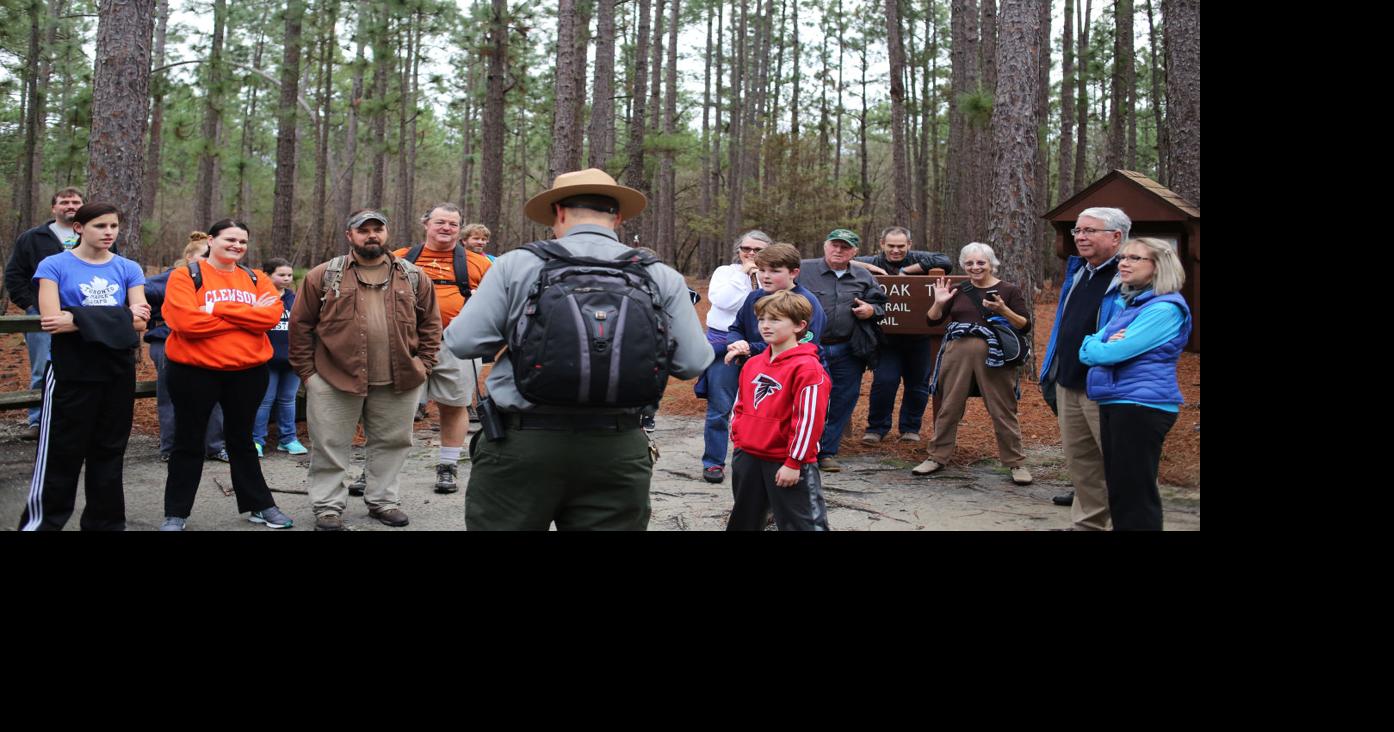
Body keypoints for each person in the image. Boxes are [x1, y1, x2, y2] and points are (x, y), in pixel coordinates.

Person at [444, 168, 711, 531]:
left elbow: (462, 342)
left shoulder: (516, 264)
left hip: (522, 444)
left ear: (559, 213)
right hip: (617, 447)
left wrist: (517, 332)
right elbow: (692, 362)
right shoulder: (659, 274)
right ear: (617, 216)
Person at [290, 210, 440, 531]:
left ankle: (383, 501)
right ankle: (328, 508)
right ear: (350, 235)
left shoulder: (412, 275)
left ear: (386, 233)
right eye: (363, 230)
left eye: (377, 229)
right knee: (330, 443)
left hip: (399, 378)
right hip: (333, 378)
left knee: (393, 442)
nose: (371, 235)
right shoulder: (324, 275)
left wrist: (424, 364)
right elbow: (300, 326)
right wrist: (309, 375)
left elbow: (431, 325)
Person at [17, 202, 148, 531]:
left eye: (114, 227)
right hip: (71, 370)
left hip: (117, 370)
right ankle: (42, 524)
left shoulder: (128, 267)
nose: (109, 233)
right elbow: (51, 321)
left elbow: (140, 321)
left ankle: (105, 525)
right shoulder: (54, 265)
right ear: (79, 228)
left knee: (109, 452)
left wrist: (76, 316)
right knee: (62, 453)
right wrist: (118, 318)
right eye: (100, 226)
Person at [158, 219, 295, 531]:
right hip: (194, 372)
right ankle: (176, 513)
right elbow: (186, 324)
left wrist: (216, 311)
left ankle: (259, 505)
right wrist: (247, 316)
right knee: (188, 442)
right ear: (211, 239)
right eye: (230, 239)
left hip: (247, 373)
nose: (237, 246)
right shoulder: (185, 275)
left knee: (241, 441)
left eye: (243, 242)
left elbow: (271, 316)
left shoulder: (255, 277)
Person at [1079, 238, 1190, 531]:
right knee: (1120, 491)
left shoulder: (1164, 309)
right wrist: (1097, 345)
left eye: (1134, 258)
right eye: (1123, 257)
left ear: (1157, 267)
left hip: (1142, 407)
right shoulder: (1129, 304)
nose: (1123, 263)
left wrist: (1099, 346)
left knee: (1136, 494)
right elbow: (1087, 347)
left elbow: (1111, 352)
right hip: (1116, 401)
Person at [389, 203, 491, 494]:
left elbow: (495, 301)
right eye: (440, 222)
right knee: (396, 407)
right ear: (426, 224)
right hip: (407, 343)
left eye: (453, 224)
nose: (446, 228)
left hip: (456, 344)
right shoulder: (400, 258)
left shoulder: (477, 262)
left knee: (454, 404)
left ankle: (448, 467)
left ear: (460, 229)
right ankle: (381, 468)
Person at [912, 242, 1033, 485]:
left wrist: (1003, 309)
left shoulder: (1008, 290)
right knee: (948, 407)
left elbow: (1024, 325)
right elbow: (932, 321)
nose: (975, 267)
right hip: (956, 355)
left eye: (980, 262)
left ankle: (1015, 463)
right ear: (963, 265)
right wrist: (939, 301)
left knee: (1003, 410)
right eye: (969, 263)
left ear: (991, 263)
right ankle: (937, 457)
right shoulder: (957, 290)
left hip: (995, 359)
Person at [1038, 207, 1127, 529]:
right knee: (1083, 464)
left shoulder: (1130, 276)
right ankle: (1087, 525)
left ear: (1116, 236)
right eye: (1077, 231)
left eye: (1090, 230)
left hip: (1106, 386)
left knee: (1119, 465)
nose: (1080, 237)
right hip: (1068, 383)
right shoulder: (1079, 271)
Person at [726, 290, 831, 531]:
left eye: (775, 319)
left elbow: (809, 419)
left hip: (786, 461)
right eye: (762, 319)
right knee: (744, 520)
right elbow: (740, 405)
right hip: (748, 456)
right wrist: (739, 439)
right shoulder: (752, 363)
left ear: (799, 325)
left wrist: (794, 462)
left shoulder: (808, 368)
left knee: (802, 524)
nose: (765, 325)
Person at [857, 226, 954, 445]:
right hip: (887, 338)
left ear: (909, 245)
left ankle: (910, 428)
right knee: (884, 381)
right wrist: (871, 267)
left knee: (918, 385)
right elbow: (847, 260)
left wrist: (907, 272)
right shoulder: (875, 260)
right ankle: (876, 428)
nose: (896, 251)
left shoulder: (917, 258)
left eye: (901, 246)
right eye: (890, 246)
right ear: (882, 244)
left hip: (919, 337)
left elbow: (945, 261)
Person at [799, 228, 885, 472]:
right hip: (808, 348)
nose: (838, 250)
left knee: (842, 401)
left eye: (845, 247)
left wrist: (871, 310)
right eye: (834, 245)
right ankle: (801, 448)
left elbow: (880, 304)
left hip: (848, 349)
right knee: (806, 400)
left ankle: (827, 452)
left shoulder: (863, 276)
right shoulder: (803, 270)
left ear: (854, 252)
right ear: (825, 246)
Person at [5, 187, 85, 440]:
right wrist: (30, 306)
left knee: (83, 367)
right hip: (44, 318)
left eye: (75, 202)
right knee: (43, 368)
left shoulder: (93, 234)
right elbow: (14, 275)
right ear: (54, 208)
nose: (70, 205)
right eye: (64, 202)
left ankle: (76, 419)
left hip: (85, 317)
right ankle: (38, 420)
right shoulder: (33, 238)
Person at [144, 234, 229, 463]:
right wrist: (156, 317)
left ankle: (214, 446)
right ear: (189, 257)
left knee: (214, 395)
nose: (209, 260)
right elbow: (137, 295)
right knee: (170, 396)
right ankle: (171, 448)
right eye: (204, 255)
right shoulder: (168, 279)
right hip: (168, 341)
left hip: (208, 343)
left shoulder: (219, 278)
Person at [697, 230, 770, 483]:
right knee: (720, 406)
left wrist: (759, 277)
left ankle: (753, 460)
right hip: (723, 343)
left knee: (759, 406)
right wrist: (744, 274)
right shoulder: (725, 273)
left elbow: (766, 305)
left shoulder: (771, 276)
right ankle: (714, 462)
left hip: (761, 345)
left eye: (758, 250)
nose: (751, 254)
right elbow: (724, 301)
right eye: (746, 249)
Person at [251, 257, 306, 457]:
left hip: (291, 361)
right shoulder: (260, 298)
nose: (286, 279)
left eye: (289, 275)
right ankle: (256, 440)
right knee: (265, 401)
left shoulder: (295, 299)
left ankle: (288, 439)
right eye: (281, 275)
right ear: (267, 275)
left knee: (288, 400)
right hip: (266, 361)